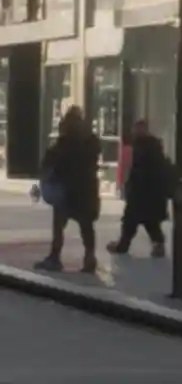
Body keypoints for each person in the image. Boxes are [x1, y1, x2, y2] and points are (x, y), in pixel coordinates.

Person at [36, 107, 102, 273]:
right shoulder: (91, 142)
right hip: (87, 189)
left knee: (59, 225)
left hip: (67, 190)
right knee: (86, 226)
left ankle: (55, 257)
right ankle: (89, 257)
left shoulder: (63, 143)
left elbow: (52, 163)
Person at [107, 121, 172, 258]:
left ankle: (124, 245)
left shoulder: (139, 147)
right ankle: (157, 244)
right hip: (153, 192)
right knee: (150, 221)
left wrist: (128, 183)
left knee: (131, 220)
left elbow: (135, 168)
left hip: (141, 191)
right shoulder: (155, 147)